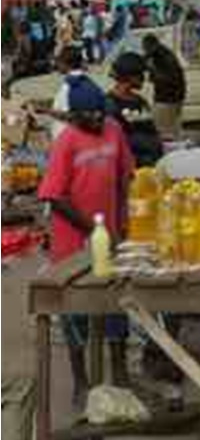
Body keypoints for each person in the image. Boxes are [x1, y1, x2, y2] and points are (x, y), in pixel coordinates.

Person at [37, 73, 135, 409]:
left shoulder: (114, 130)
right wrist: (91, 228)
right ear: (74, 115)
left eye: (99, 112)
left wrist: (123, 221)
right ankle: (81, 382)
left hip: (110, 239)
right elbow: (53, 195)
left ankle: (121, 375)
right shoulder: (66, 142)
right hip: (72, 246)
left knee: (116, 306)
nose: (95, 119)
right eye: (87, 115)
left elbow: (126, 176)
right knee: (75, 313)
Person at [105, 52, 164, 167]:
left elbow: (150, 131)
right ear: (129, 76)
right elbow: (115, 141)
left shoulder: (140, 101)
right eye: (141, 74)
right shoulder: (109, 104)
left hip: (151, 165)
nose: (144, 78)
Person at [142, 34, 186, 141]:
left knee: (164, 133)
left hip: (167, 100)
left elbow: (170, 79)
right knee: (173, 131)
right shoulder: (161, 54)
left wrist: (152, 70)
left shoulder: (164, 57)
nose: (144, 50)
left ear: (152, 45)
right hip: (173, 98)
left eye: (145, 47)